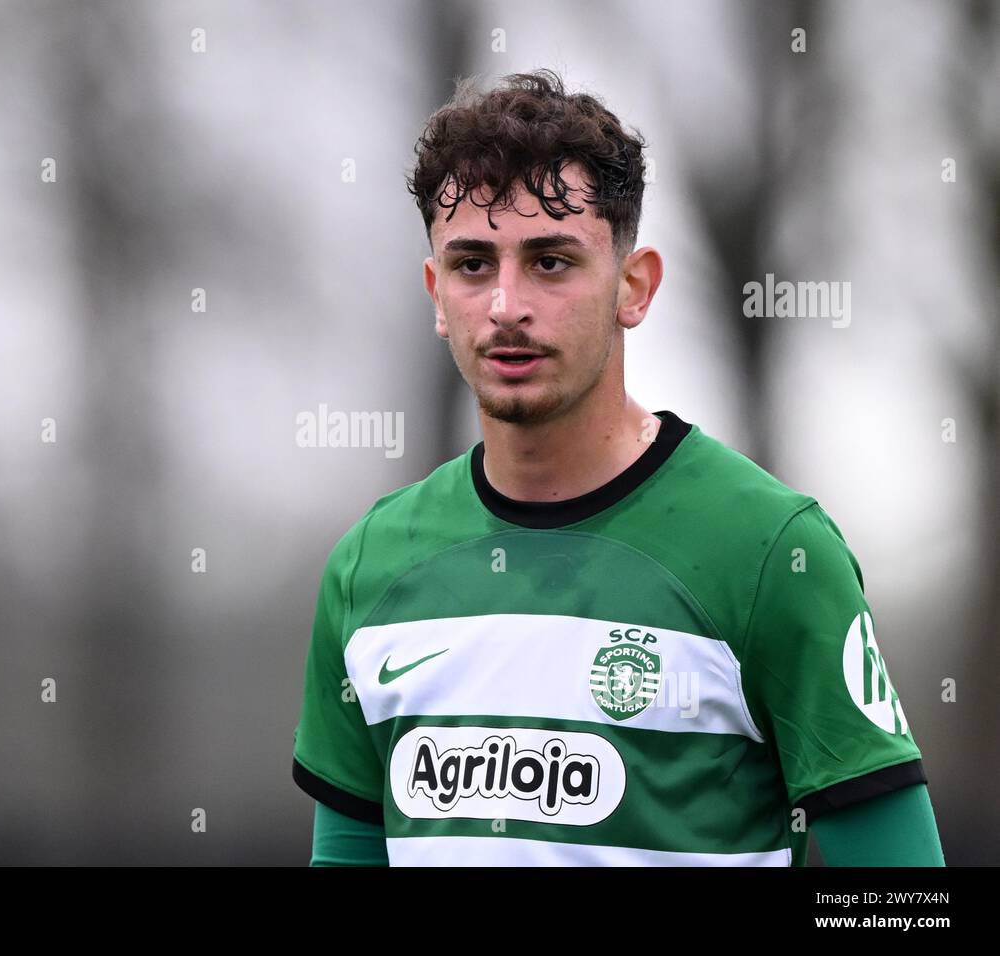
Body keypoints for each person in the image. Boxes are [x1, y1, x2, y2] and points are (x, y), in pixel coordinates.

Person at [290, 69, 944, 866]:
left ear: (633, 288)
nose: (506, 306)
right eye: (471, 265)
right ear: (436, 294)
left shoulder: (771, 551)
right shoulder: (369, 569)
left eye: (551, 262)